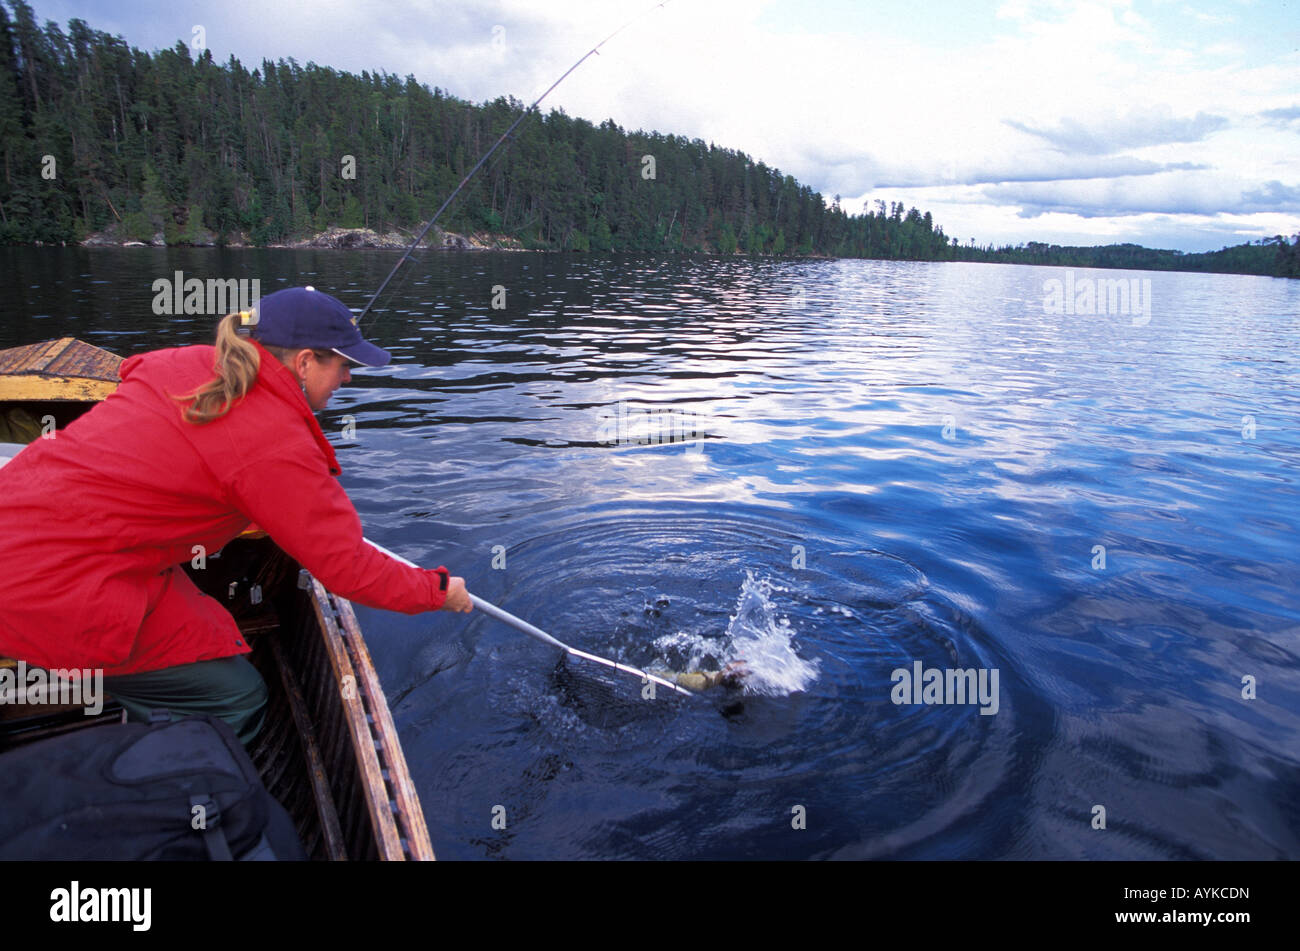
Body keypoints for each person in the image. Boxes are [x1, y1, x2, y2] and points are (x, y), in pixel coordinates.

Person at [0, 286, 471, 746]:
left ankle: (147, 733)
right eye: (344, 365)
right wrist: (438, 591)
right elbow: (346, 567)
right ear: (305, 361)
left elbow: (189, 447)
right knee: (236, 695)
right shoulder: (275, 443)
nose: (348, 379)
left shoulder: (184, 363)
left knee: (210, 631)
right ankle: (172, 789)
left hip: (47, 535)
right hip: (52, 583)